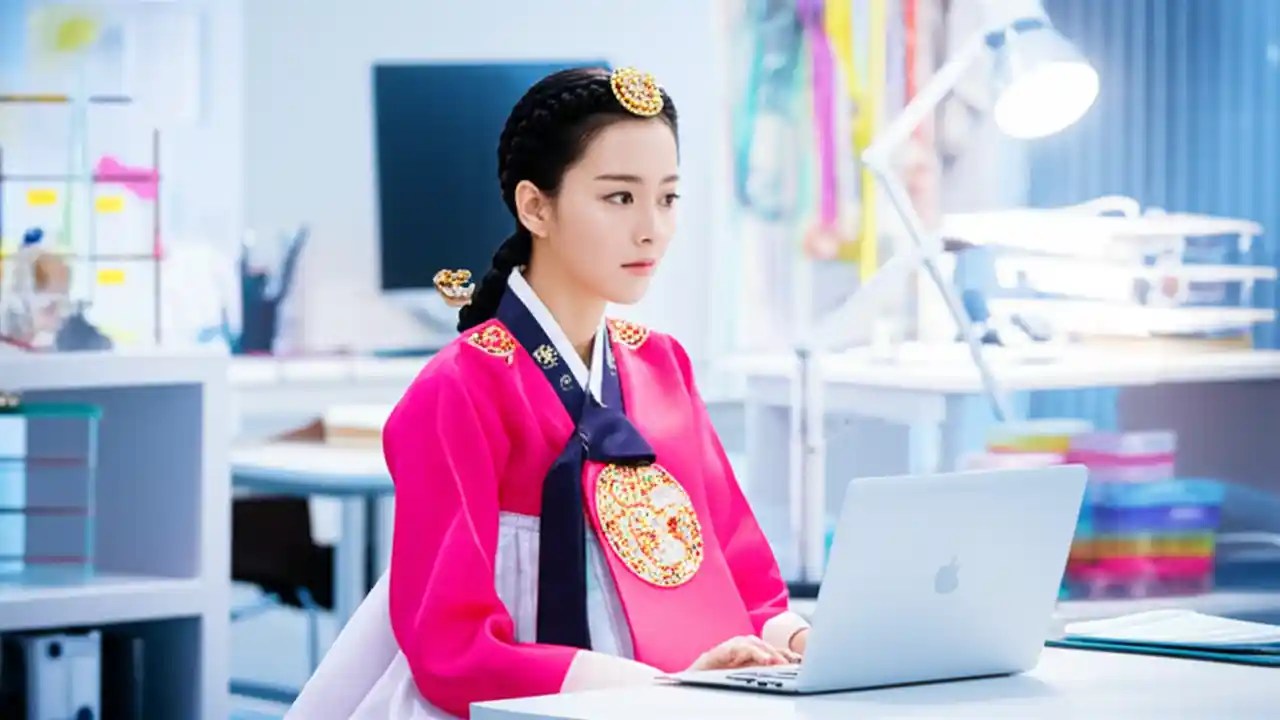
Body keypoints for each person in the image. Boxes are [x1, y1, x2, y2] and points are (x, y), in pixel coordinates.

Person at [377, 66, 810, 719]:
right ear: (535, 207)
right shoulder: (458, 388)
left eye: (668, 198)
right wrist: (654, 691)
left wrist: (804, 644)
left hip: (681, 700)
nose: (652, 229)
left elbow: (744, 576)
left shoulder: (662, 365)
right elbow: (451, 648)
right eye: (620, 197)